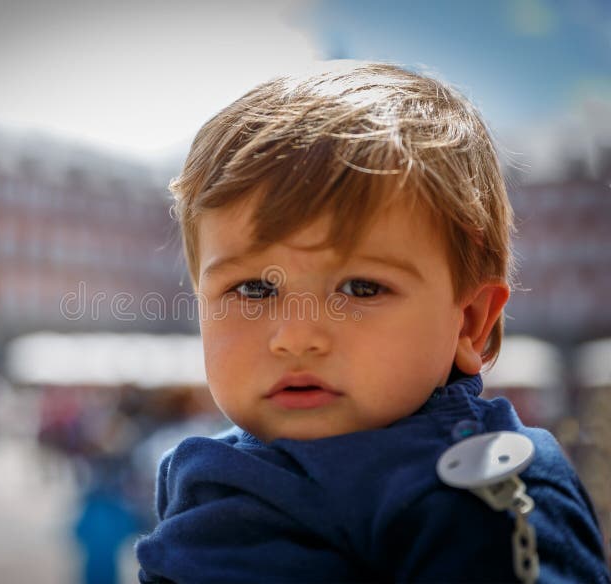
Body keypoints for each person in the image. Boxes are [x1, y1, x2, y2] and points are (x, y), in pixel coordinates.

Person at [134, 62, 611, 583]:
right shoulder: (203, 466)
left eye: (361, 288)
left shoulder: (484, 488)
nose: (296, 337)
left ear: (469, 323)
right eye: (253, 289)